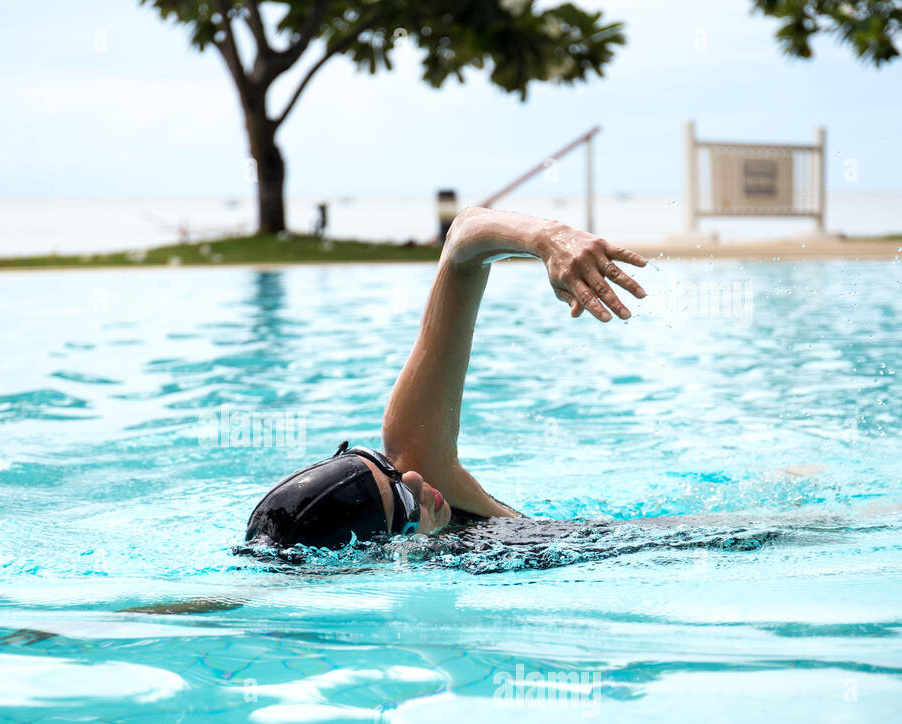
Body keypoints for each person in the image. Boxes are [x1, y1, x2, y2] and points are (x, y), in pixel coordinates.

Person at [245, 206, 648, 550]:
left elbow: (462, 242)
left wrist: (548, 238)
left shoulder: (414, 452)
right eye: (403, 501)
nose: (416, 477)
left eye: (387, 469)